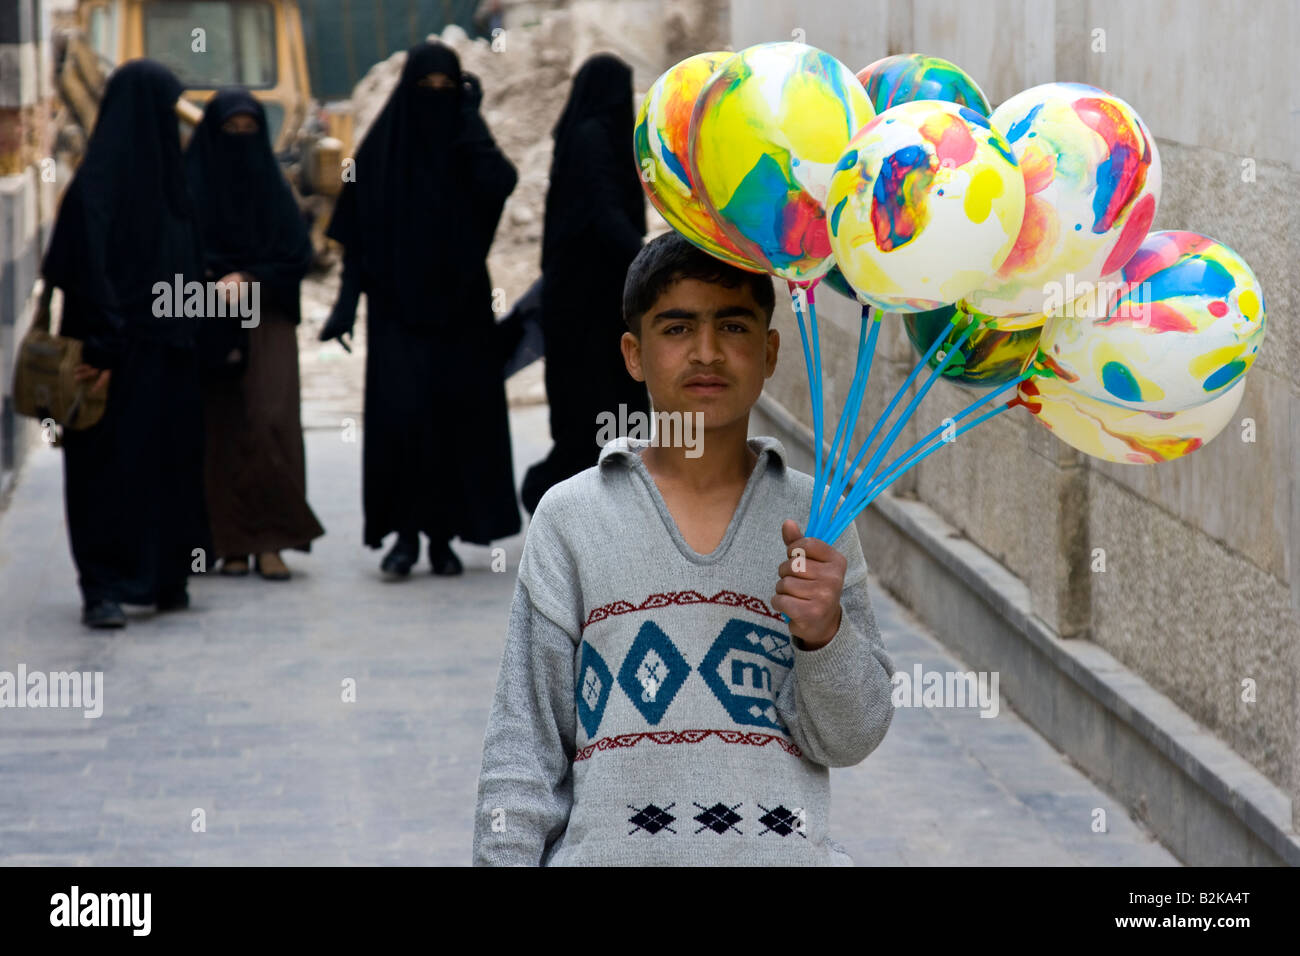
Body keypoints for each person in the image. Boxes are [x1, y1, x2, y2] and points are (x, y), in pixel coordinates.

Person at [472, 232, 897, 865]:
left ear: (770, 350)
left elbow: (852, 735)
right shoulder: (572, 517)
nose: (707, 352)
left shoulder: (817, 519)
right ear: (634, 354)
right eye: (676, 328)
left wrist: (824, 633)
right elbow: (522, 748)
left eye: (733, 325)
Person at [319, 40, 520, 578]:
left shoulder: (464, 143)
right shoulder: (378, 154)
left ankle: (443, 537)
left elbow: (503, 182)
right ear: (408, 91)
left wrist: (471, 118)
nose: (436, 99)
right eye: (427, 89)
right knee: (403, 423)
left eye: (446, 90)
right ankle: (404, 536)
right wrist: (344, 308)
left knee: (454, 424)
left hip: (461, 314)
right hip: (396, 316)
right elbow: (355, 240)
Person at [40, 59, 210, 629]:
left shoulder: (172, 185)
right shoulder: (97, 187)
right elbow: (80, 269)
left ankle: (162, 575)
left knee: (165, 466)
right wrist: (105, 345)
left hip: (168, 358)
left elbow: (189, 268)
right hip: (107, 359)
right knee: (104, 473)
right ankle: (103, 586)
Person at [184, 88, 324, 581]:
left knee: (270, 421)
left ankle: (273, 541)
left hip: (268, 320)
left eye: (249, 131)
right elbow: (179, 249)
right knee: (221, 428)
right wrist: (210, 280)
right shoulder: (190, 184)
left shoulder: (273, 187)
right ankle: (230, 543)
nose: (240, 141)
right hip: (210, 319)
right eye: (230, 131)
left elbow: (298, 255)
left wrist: (251, 279)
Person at [519, 53, 648, 516]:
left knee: (602, 402)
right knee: (597, 403)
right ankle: (552, 492)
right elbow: (604, 212)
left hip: (590, 298)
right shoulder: (594, 137)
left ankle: (591, 498)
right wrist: (645, 256)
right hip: (586, 302)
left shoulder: (583, 134)